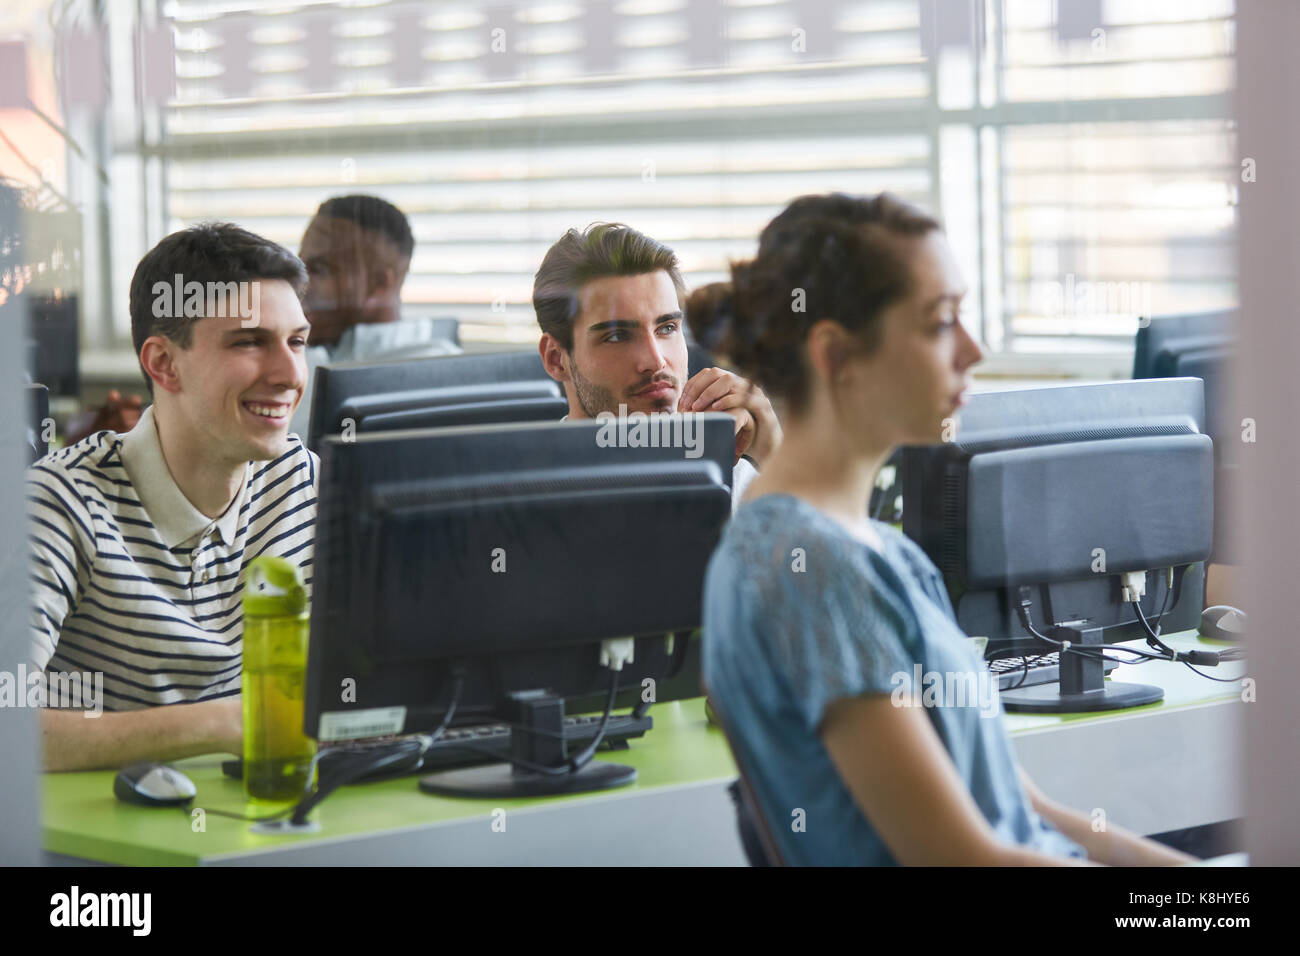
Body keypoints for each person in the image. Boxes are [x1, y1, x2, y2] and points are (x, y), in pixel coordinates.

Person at [695, 193, 1193, 865]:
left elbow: (1028, 813)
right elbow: (961, 858)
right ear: (837, 354)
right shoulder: (806, 564)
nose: (974, 348)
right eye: (939, 322)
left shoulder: (887, 552)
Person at [28, 223, 317, 772]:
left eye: (296, 341)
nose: (290, 374)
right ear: (163, 363)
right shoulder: (58, 505)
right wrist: (222, 722)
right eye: (250, 341)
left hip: (250, 827)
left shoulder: (302, 483)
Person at [533, 222, 781, 506]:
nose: (656, 360)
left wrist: (773, 453)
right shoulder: (524, 499)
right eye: (616, 336)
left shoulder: (727, 473)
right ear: (556, 359)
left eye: (666, 328)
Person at [291, 194, 460, 437]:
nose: (298, 285)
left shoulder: (437, 372)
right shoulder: (297, 360)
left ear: (378, 283)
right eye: (300, 267)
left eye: (320, 269)